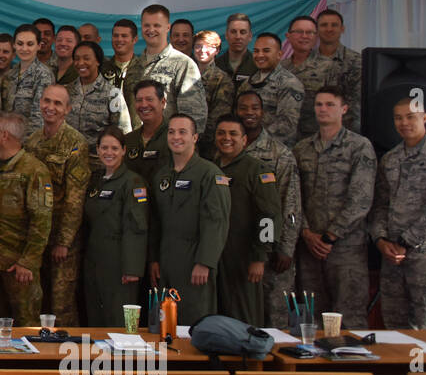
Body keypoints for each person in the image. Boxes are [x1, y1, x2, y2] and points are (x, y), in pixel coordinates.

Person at [369, 97, 426, 329]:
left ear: (424, 118)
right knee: (395, 328)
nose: (404, 123)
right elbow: (380, 205)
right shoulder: (390, 160)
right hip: (392, 259)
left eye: (410, 117)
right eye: (398, 118)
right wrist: (381, 240)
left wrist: (405, 242)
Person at [292, 86, 375, 327]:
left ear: (344, 109)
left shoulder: (359, 147)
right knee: (311, 320)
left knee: (349, 318)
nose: (323, 109)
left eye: (330, 104)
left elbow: (360, 199)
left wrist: (329, 237)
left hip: (345, 249)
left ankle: (352, 365)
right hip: (309, 248)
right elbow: (294, 197)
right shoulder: (302, 148)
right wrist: (306, 232)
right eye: (319, 104)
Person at [147, 114, 231, 325]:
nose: (176, 137)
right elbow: (155, 222)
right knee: (165, 322)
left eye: (182, 132)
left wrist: (205, 261)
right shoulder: (162, 176)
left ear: (194, 137)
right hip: (166, 260)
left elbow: (216, 221)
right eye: (171, 132)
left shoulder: (209, 174)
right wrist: (154, 259)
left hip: (194, 261)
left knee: (194, 320)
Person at [0, 112, 53, 326]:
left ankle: (23, 363)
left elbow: (41, 221)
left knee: (25, 326)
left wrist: (27, 262)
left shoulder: (33, 170)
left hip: (19, 268)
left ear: (4, 136)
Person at [23, 84, 91, 319]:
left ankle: (68, 354)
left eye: (57, 103)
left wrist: (64, 241)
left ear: (67, 109)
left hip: (63, 237)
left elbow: (75, 198)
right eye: (47, 101)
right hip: (37, 235)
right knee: (36, 302)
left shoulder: (75, 143)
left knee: (62, 303)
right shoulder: (32, 141)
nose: (50, 107)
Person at [237, 90, 302, 326]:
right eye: (243, 108)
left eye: (254, 108)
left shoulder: (280, 154)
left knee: (277, 318)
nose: (249, 113)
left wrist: (285, 247)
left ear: (262, 112)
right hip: (241, 250)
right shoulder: (229, 150)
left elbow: (290, 204)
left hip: (273, 253)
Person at [213, 115, 282, 325]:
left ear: (244, 140)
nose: (227, 138)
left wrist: (260, 257)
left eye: (233, 133)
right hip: (217, 255)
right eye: (221, 133)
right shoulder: (211, 168)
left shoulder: (257, 170)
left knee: (243, 315)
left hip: (244, 257)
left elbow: (268, 216)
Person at [82, 127, 148, 326]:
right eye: (104, 148)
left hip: (119, 263)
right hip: (95, 261)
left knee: (119, 320)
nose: (108, 153)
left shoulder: (133, 183)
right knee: (96, 319)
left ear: (124, 150)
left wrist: (132, 267)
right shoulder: (96, 181)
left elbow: (136, 227)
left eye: (114, 148)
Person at [123, 4, 206, 133]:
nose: (151, 30)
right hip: (137, 145)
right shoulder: (134, 66)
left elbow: (194, 117)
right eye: (147, 25)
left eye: (157, 25)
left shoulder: (183, 64)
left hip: (169, 146)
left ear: (168, 28)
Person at [66, 40, 130, 170]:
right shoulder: (67, 91)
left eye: (87, 58)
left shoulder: (112, 93)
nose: (81, 63)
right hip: (68, 164)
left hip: (98, 166)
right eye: (77, 59)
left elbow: (122, 131)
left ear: (98, 61)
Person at [283, 16, 342, 145]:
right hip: (283, 139)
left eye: (309, 32)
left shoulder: (329, 67)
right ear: (288, 36)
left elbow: (335, 107)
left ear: (316, 37)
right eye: (299, 32)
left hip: (315, 141)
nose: (304, 36)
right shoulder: (280, 68)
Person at [237, 33, 304, 145]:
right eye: (256, 51)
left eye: (266, 51)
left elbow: (287, 126)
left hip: (273, 152)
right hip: (245, 147)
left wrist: (254, 143)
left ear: (279, 54)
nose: (260, 55)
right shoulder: (247, 84)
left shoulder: (289, 83)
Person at [1, 24, 53, 133]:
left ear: (38, 46)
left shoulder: (43, 75)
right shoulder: (9, 75)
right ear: (14, 45)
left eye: (30, 44)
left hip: (29, 140)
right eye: (20, 44)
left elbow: (39, 117)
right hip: (6, 137)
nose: (24, 49)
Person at [316, 9, 362, 132]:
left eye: (334, 25)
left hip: (345, 133)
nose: (329, 29)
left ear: (342, 29)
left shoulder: (357, 61)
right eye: (324, 25)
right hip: (308, 134)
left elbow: (357, 103)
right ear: (316, 29)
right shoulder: (305, 61)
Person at [192, 30, 234, 158]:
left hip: (207, 146)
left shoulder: (222, 79)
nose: (202, 50)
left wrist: (196, 138)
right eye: (198, 46)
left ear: (217, 50)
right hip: (185, 139)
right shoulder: (186, 74)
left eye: (209, 46)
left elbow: (219, 117)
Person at [122, 80, 170, 184]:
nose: (144, 105)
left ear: (162, 103)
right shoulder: (128, 140)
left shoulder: (175, 138)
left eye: (149, 99)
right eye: (139, 100)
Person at [215, 12, 254, 87]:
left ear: (250, 36)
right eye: (233, 32)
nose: (238, 37)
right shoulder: (216, 65)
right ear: (226, 35)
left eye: (243, 32)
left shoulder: (257, 66)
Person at [102, 19, 137, 89]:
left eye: (124, 36)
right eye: (115, 36)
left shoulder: (144, 69)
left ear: (135, 40)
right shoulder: (101, 68)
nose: (119, 39)